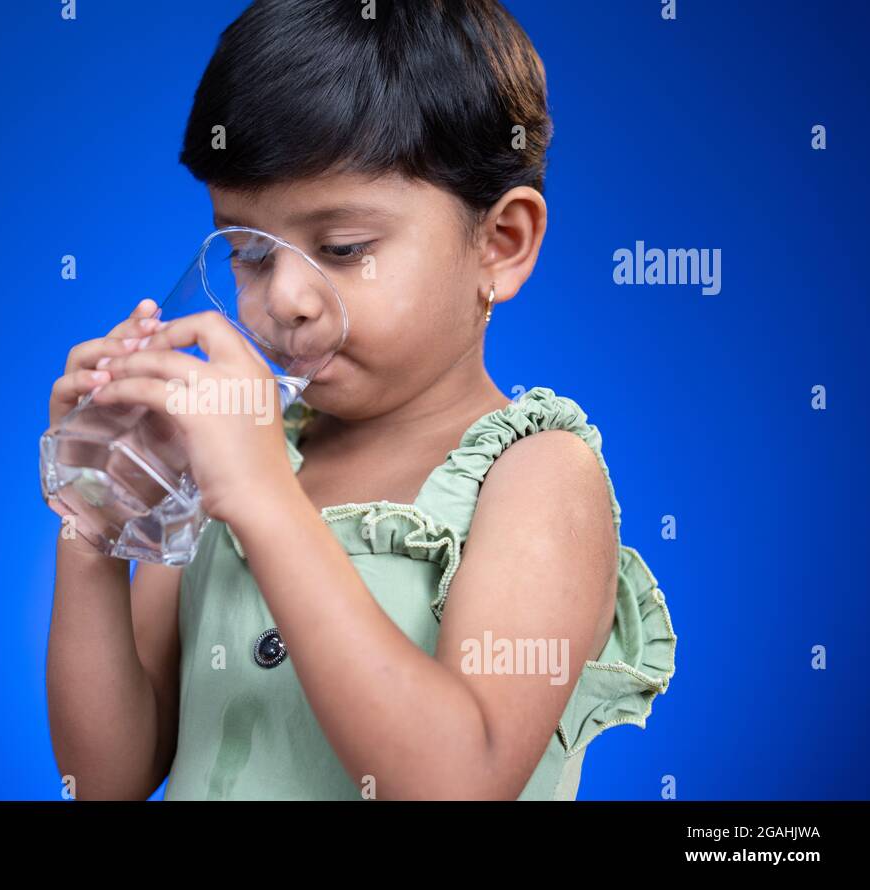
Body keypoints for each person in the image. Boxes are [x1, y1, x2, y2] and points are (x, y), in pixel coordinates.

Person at [44, 0, 676, 800]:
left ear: (501, 244)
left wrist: (267, 499)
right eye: (247, 252)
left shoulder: (540, 479)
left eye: (344, 250)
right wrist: (94, 521)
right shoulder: (229, 458)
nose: (287, 299)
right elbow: (103, 777)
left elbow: (459, 780)